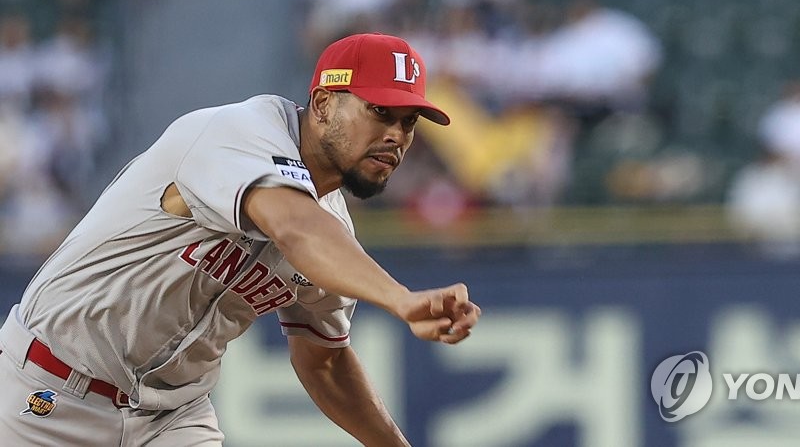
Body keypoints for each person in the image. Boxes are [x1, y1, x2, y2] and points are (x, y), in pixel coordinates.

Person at [0, 32, 481, 446]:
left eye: (408, 122)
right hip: (47, 392)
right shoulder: (237, 132)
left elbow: (326, 362)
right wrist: (400, 299)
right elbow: (294, 228)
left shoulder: (332, 231)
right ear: (322, 103)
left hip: (171, 419)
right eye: (380, 111)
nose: (396, 135)